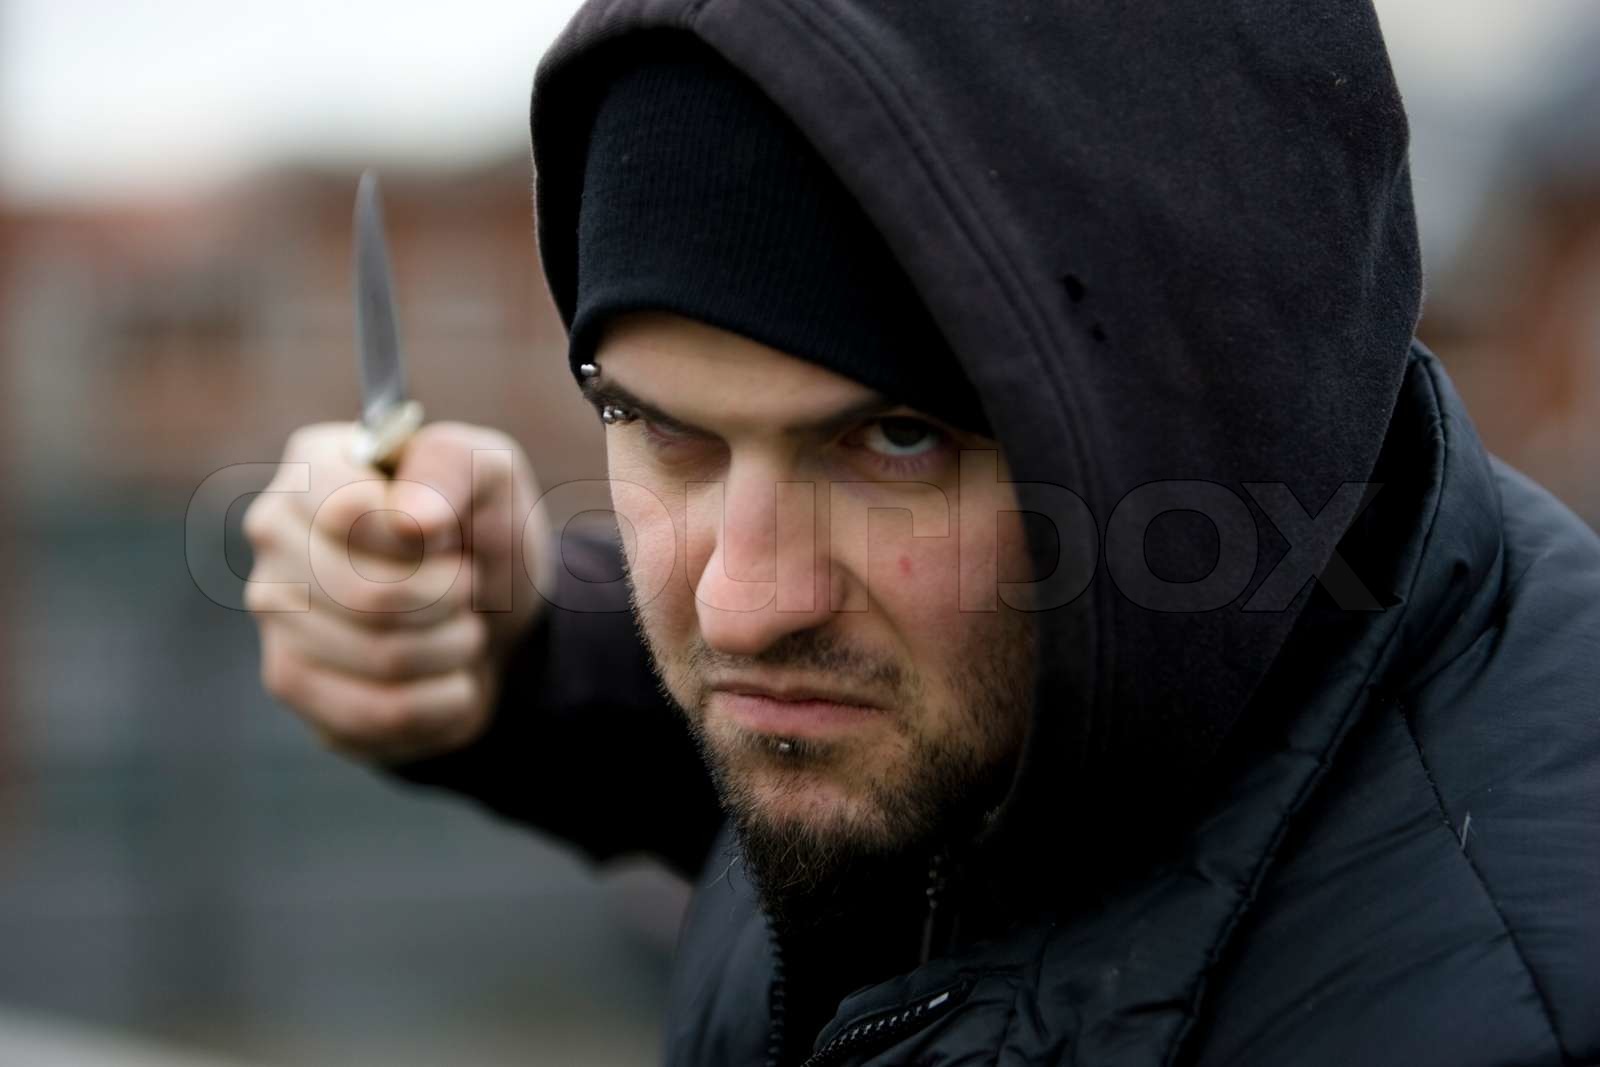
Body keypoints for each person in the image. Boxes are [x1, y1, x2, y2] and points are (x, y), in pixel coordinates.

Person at [242, 6, 1600, 1065]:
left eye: (896, 442)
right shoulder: (1032, 689)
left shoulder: (1520, 1003)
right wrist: (520, 639)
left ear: (1202, 410)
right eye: (663, 430)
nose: (739, 605)